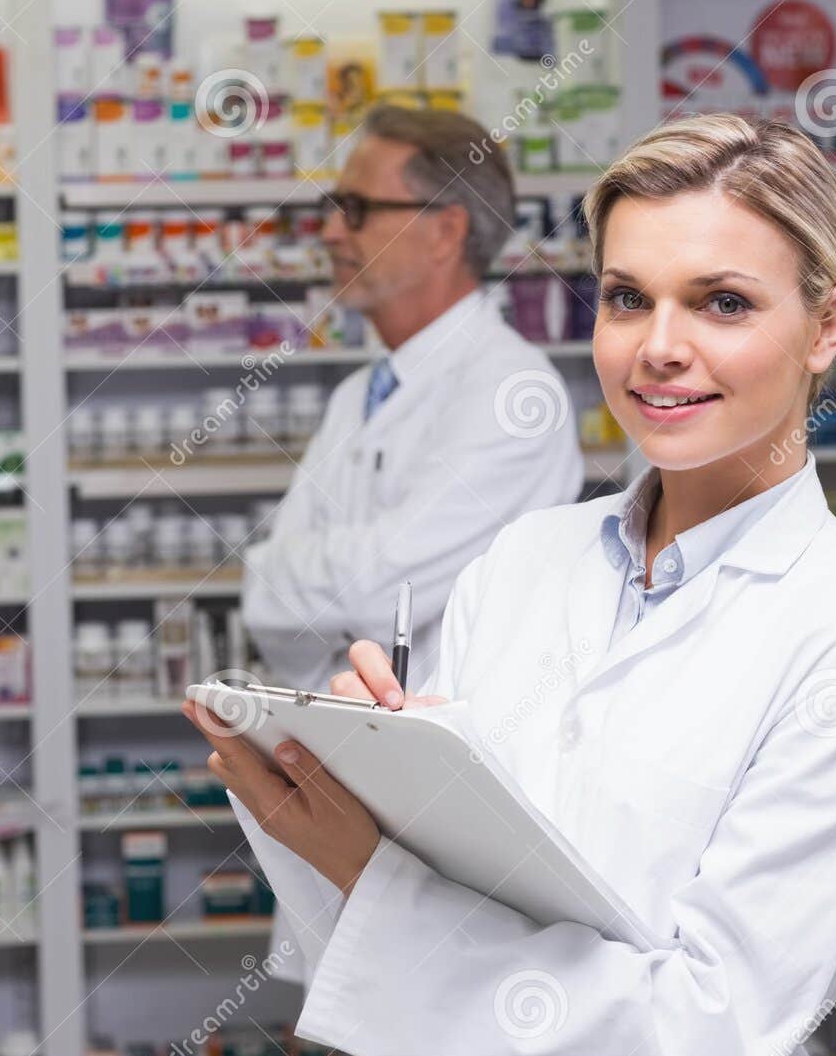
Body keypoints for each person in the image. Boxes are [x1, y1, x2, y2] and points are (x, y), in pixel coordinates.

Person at [186, 113, 836, 1056]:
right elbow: (449, 908)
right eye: (628, 297)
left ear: (827, 327)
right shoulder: (524, 562)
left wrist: (372, 870)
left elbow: (703, 1035)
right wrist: (379, 784)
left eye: (723, 304)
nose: (659, 347)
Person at [240, 105, 583, 695]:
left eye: (358, 209)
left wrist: (313, 576)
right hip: (340, 746)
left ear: (445, 232)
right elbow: (262, 594)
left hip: (449, 759)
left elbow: (379, 588)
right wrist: (317, 576)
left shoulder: (513, 393)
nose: (330, 232)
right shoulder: (358, 394)